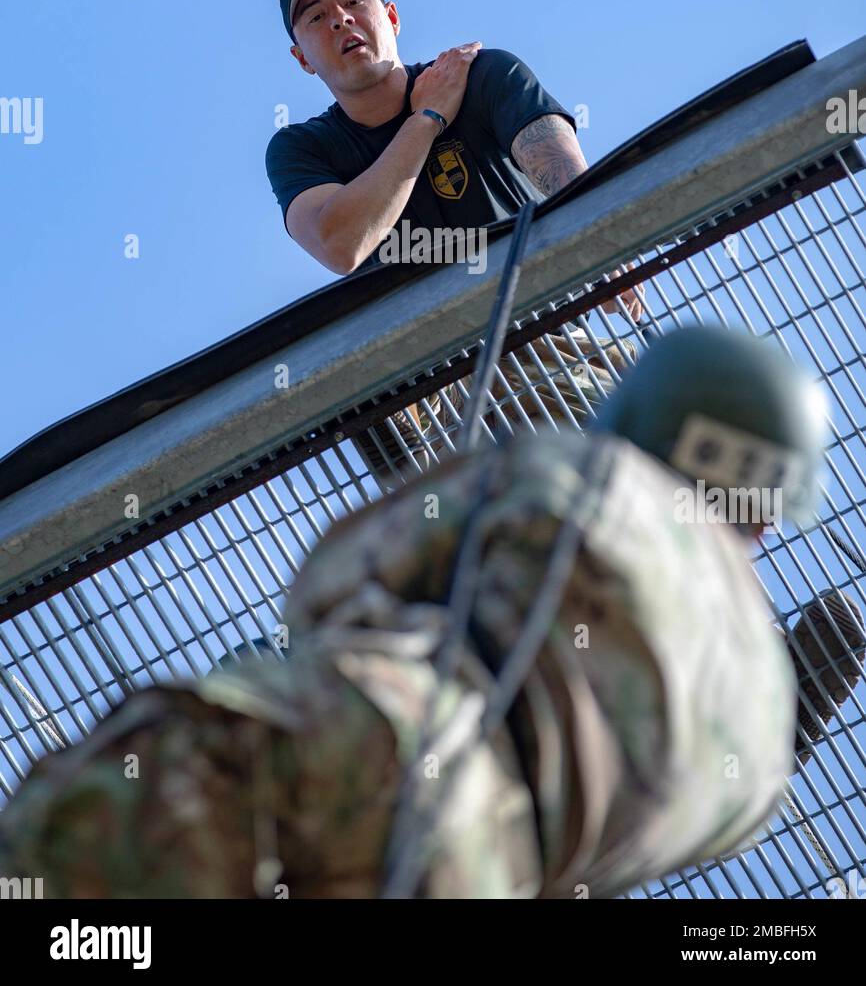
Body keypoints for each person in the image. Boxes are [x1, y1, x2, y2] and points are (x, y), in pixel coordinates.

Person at [2, 327, 860, 900]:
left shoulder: (590, 475)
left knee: (99, 827)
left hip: (391, 741)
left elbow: (333, 583)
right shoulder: (759, 726)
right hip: (489, 873)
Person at [265, 0, 644, 481]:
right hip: (431, 392)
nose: (340, 18)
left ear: (391, 18)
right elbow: (340, 244)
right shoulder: (301, 149)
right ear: (301, 57)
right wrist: (426, 118)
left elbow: (568, 179)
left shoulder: (483, 74)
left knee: (612, 466)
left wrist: (602, 247)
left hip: (540, 346)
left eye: (353, 2)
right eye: (316, 16)